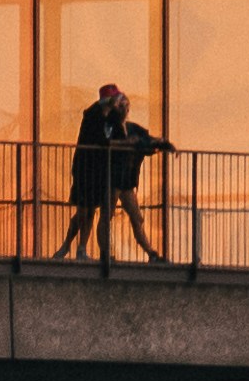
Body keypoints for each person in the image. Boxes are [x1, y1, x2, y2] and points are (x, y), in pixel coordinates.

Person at [56, 80, 167, 262]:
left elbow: (142, 140)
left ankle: (79, 248)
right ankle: (73, 247)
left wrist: (160, 144)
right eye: (117, 102)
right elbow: (103, 142)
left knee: (94, 211)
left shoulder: (114, 122)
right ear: (109, 102)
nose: (121, 106)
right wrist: (127, 143)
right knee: (86, 211)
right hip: (88, 169)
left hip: (102, 172)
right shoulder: (95, 116)